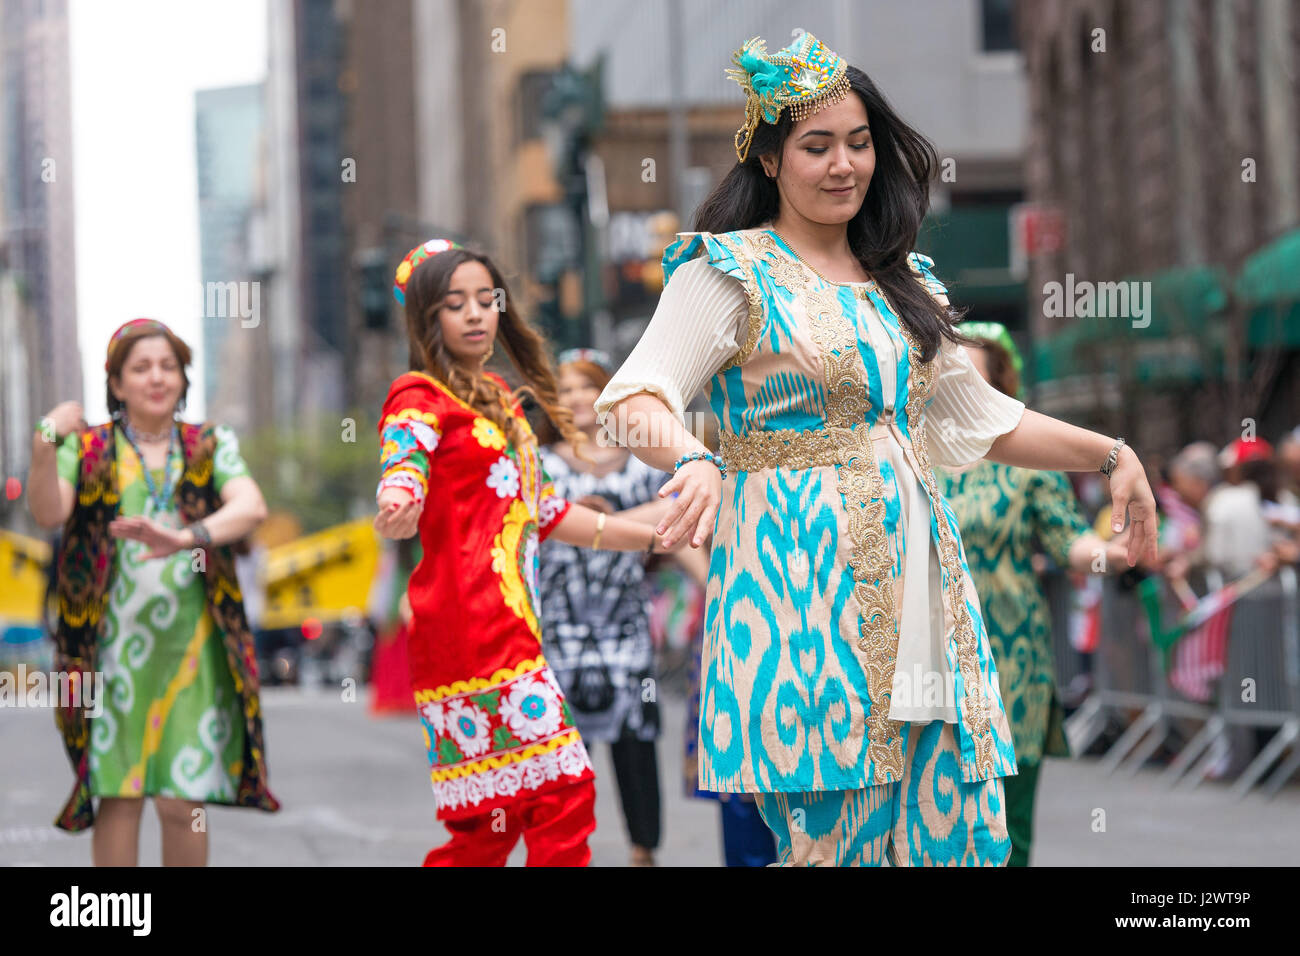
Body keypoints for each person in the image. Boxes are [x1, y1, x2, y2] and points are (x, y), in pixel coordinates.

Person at [593, 32, 1159, 866]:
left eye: (859, 144)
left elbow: (985, 419)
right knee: (835, 847)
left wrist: (1115, 457)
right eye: (816, 147)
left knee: (956, 845)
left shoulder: (909, 282)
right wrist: (691, 457)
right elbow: (633, 398)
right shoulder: (728, 273)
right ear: (770, 160)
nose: (843, 165)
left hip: (928, 600)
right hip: (802, 605)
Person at [373, 239, 678, 867]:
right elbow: (404, 462)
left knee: (488, 830)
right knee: (564, 795)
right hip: (471, 631)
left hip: (511, 628)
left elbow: (546, 513)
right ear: (426, 317)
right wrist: (399, 498)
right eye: (455, 304)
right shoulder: (418, 399)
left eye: (486, 299)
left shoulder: (504, 406)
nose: (476, 314)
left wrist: (651, 533)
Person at [25, 318, 278, 865]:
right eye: (141, 368)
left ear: (184, 379)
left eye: (169, 367)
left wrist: (188, 537)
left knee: (182, 798)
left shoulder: (209, 444)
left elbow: (250, 506)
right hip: (103, 653)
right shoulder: (87, 448)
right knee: (117, 793)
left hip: (194, 649)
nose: (157, 378)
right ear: (116, 384)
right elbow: (48, 511)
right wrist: (46, 442)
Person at [936, 322, 1129, 866]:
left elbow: (1068, 539)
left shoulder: (1028, 467)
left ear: (997, 387)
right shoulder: (915, 455)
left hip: (1012, 657)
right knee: (935, 821)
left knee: (1007, 825)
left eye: (970, 378)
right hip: (931, 661)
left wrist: (1107, 555)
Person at [536, 349, 671, 866]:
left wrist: (713, 593)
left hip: (626, 628)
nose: (575, 398)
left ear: (607, 392)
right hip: (558, 633)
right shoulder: (540, 464)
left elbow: (677, 525)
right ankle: (565, 852)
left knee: (636, 744)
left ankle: (644, 852)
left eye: (586, 386)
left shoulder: (643, 465)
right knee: (564, 757)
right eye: (564, 390)